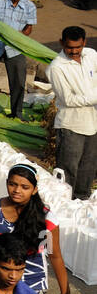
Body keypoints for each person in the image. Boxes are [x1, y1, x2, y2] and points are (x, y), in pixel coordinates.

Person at [0, 164, 73, 294]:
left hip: (33, 283)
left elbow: (54, 255)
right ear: (6, 183)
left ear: (34, 190)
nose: (17, 190)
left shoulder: (46, 219)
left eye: (25, 187)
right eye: (12, 184)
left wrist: (65, 292)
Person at [50, 25, 97, 200]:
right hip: (71, 125)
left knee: (89, 166)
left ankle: (82, 200)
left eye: (78, 47)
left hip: (93, 122)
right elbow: (69, 100)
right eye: (70, 47)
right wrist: (95, 96)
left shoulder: (91, 55)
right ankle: (63, 203)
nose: (74, 51)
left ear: (84, 42)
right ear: (61, 43)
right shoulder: (57, 67)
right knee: (68, 168)